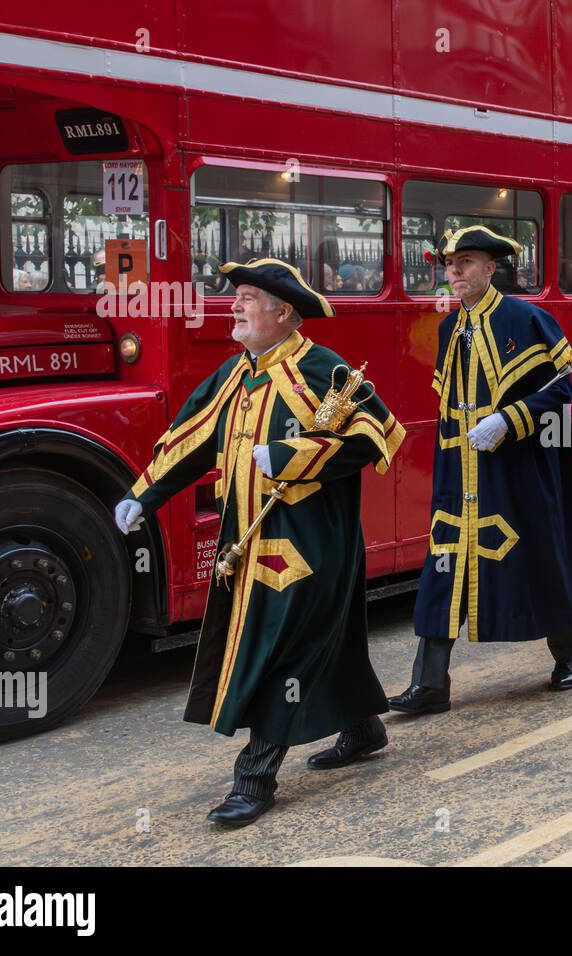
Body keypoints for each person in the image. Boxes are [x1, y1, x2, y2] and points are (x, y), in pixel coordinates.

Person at [113, 259, 405, 826]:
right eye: (238, 296)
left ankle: (255, 775)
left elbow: (379, 434)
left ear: (284, 312)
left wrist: (293, 456)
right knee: (326, 640)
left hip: (309, 544)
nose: (237, 306)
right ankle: (363, 726)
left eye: (249, 297)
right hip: (248, 541)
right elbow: (190, 441)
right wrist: (141, 495)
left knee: (283, 652)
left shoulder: (320, 367)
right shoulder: (234, 374)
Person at [389, 226, 572, 715]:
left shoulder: (528, 319)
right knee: (443, 567)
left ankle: (568, 656)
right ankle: (430, 684)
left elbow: (562, 389)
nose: (454, 272)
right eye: (449, 264)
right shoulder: (449, 329)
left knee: (542, 556)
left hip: (520, 469)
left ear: (490, 268)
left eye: (465, 262)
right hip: (460, 473)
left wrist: (509, 419)